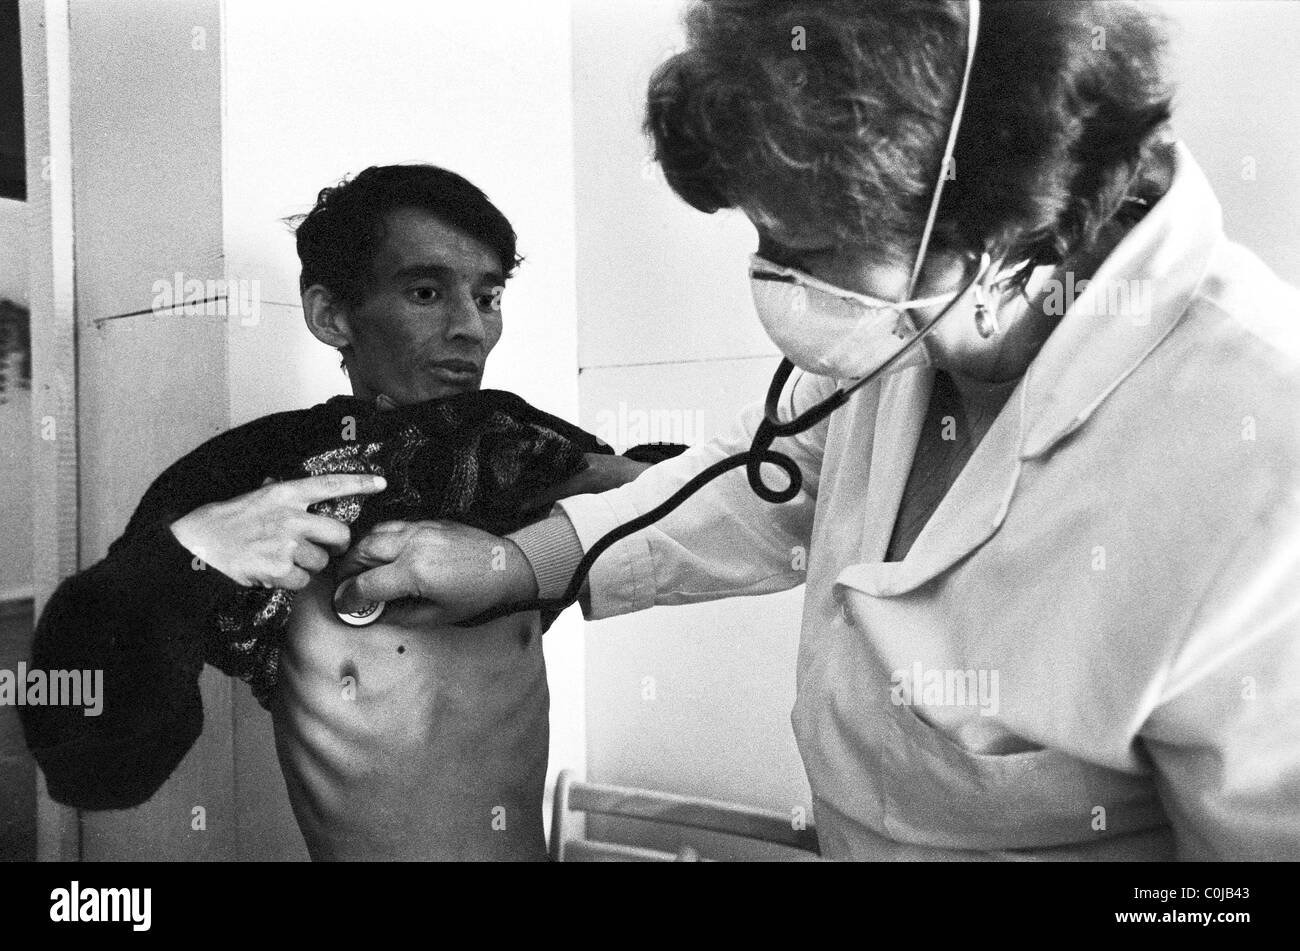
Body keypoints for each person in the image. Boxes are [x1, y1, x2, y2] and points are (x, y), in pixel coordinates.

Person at [336, 1, 1300, 860]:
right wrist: (519, 564)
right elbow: (765, 477)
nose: (774, 279)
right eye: (764, 238)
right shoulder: (913, 322)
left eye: (806, 250)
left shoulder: (1257, 449)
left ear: (993, 239)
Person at [21, 164, 668, 861]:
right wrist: (183, 555)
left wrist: (634, 480)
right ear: (332, 315)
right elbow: (94, 769)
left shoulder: (527, 449)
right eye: (426, 292)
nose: (471, 328)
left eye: (488, 297)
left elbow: (714, 505)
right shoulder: (251, 475)